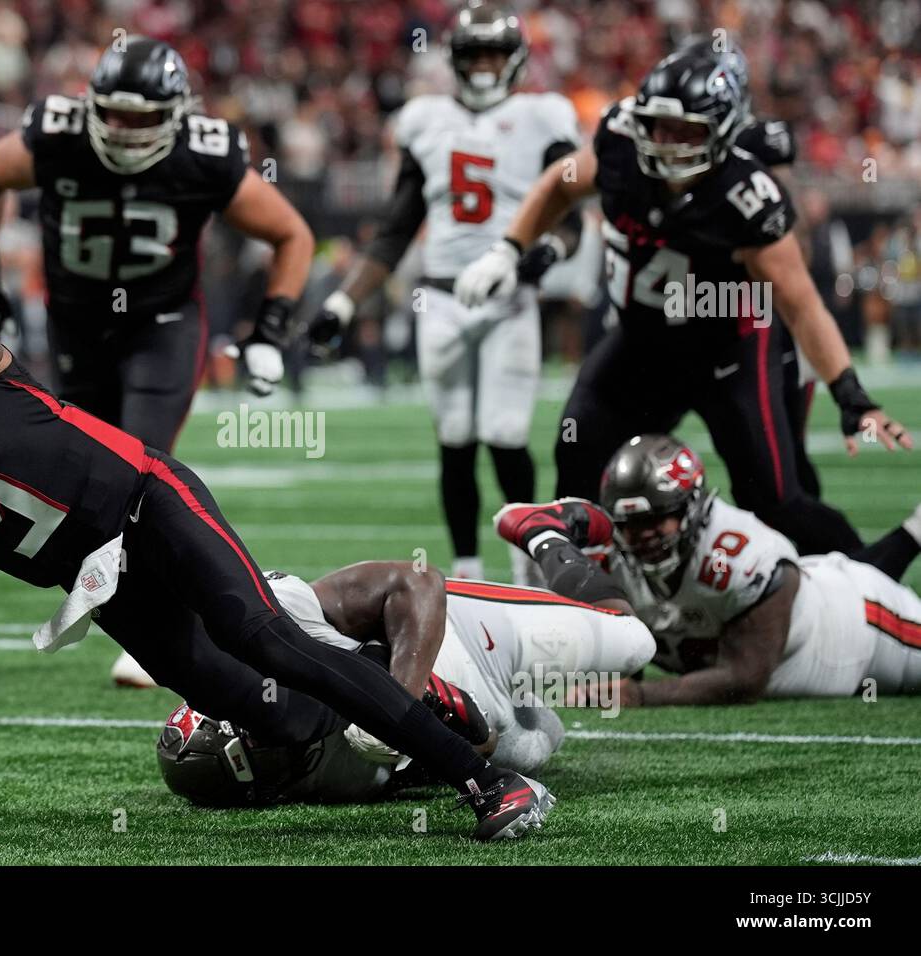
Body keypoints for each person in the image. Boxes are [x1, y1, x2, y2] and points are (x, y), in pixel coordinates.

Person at [0, 262, 548, 845]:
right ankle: (424, 703)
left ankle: (485, 784)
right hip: (97, 578)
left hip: (145, 499)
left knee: (264, 635)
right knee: (277, 716)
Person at [456, 44, 911, 557]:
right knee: (577, 455)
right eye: (658, 127)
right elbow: (559, 186)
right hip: (642, 343)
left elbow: (801, 304)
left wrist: (852, 396)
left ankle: (863, 585)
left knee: (776, 501)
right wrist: (507, 250)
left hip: (728, 352)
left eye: (686, 131)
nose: (667, 143)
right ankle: (596, 602)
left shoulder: (746, 198)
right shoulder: (622, 144)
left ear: (724, 130)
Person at [307, 2, 583, 581]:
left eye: (494, 55)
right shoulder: (425, 119)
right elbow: (395, 229)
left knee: (506, 436)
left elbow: (569, 220)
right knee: (455, 440)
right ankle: (466, 571)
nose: (483, 67)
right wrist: (342, 301)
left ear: (515, 61)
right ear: (455, 61)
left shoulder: (544, 116)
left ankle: (523, 563)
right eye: (473, 55)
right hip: (440, 299)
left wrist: (537, 260)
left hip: (509, 299)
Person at [0, 34, 314, 452]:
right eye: (112, 114)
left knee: (138, 460)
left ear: (175, 114)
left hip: (161, 321)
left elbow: (292, 234)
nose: (121, 130)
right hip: (76, 320)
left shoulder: (203, 155)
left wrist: (269, 330)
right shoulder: (60, 136)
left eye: (139, 119)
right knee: (81, 461)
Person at [157, 558, 654, 806]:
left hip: (466, 634)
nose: (274, 754)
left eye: (256, 741)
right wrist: (452, 730)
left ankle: (547, 535)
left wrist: (401, 701)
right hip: (471, 708)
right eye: (263, 772)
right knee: (542, 741)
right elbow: (468, 748)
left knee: (635, 642)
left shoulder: (271, 612)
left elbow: (416, 579)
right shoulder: (311, 781)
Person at [508, 435, 921, 705]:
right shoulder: (614, 557)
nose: (643, 535)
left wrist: (640, 695)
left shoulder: (742, 554)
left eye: (658, 519)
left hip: (861, 624)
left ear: (693, 509)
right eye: (630, 524)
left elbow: (746, 678)